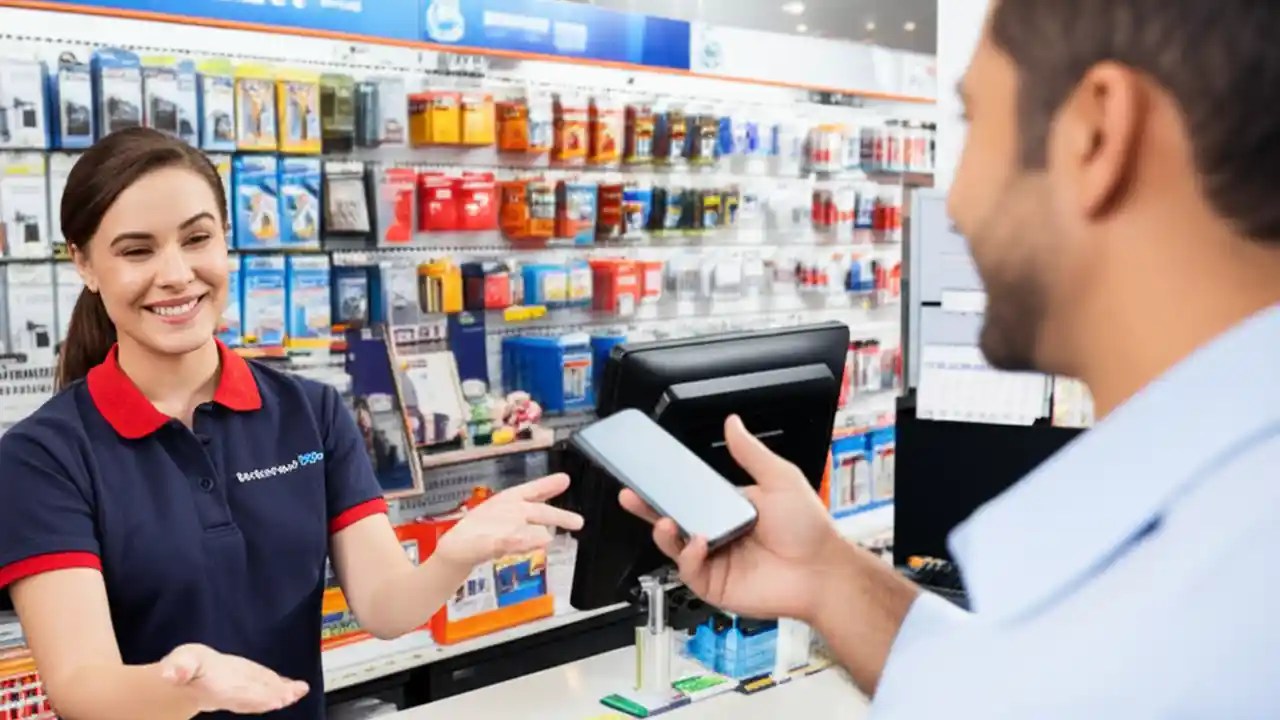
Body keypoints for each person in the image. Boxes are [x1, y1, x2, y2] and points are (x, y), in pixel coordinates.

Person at [623, 0, 1280, 716]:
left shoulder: (1217, 608)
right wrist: (827, 578)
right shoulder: (1220, 541)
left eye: (972, 122)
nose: (957, 205)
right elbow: (1014, 694)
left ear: (1097, 132)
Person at [0, 127, 583, 720]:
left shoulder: (312, 411)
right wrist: (189, 688)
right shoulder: (43, 456)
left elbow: (384, 606)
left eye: (197, 238)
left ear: (227, 241)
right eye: (136, 250)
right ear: (84, 264)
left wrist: (453, 555)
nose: (176, 273)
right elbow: (81, 686)